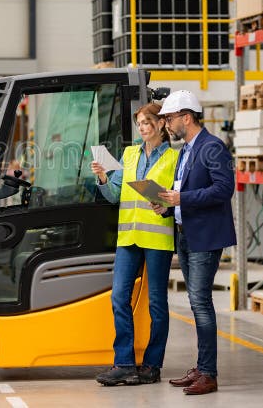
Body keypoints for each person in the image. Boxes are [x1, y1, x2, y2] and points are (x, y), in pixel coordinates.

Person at [153, 90, 235, 396]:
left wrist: (181, 199)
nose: (167, 125)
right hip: (186, 234)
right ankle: (201, 367)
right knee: (195, 302)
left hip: (205, 236)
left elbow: (223, 190)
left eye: (170, 119)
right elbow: (184, 190)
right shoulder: (187, 150)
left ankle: (209, 374)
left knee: (201, 303)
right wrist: (169, 206)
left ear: (186, 117)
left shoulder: (212, 147)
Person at [90, 102, 179, 387]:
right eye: (139, 123)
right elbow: (115, 195)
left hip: (157, 238)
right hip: (128, 238)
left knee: (157, 305)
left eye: (147, 122)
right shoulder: (128, 154)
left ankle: (152, 365)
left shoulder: (175, 157)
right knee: (118, 297)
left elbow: (179, 194)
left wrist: (165, 202)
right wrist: (103, 177)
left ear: (161, 124)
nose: (142, 128)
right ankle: (125, 363)